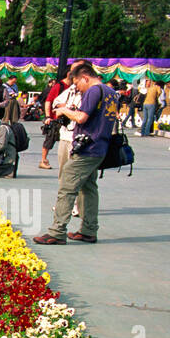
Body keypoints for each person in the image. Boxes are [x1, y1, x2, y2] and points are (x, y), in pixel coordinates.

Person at [36, 61, 120, 245]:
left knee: (67, 186)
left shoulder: (93, 91)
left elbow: (82, 117)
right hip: (100, 146)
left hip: (87, 147)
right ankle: (89, 230)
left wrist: (65, 110)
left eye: (77, 84)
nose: (77, 89)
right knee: (89, 188)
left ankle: (57, 231)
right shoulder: (111, 93)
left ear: (85, 77)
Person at [39, 74, 66, 169]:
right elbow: (48, 101)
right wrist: (47, 116)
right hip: (55, 118)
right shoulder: (59, 86)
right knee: (50, 139)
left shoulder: (75, 87)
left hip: (68, 118)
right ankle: (43, 160)